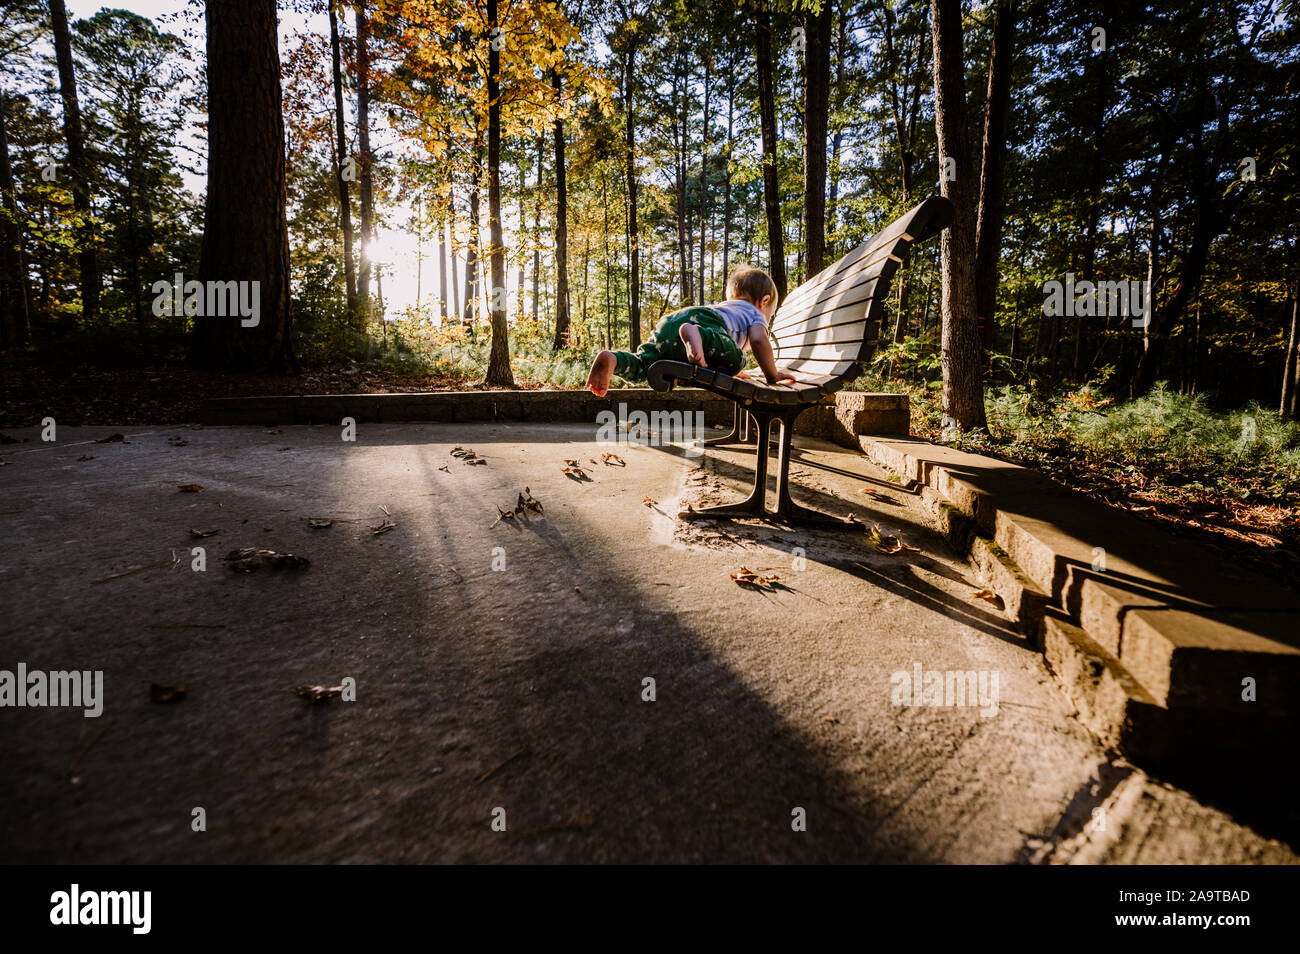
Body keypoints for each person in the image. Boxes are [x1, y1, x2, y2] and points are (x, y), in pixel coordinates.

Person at [585, 266, 796, 396]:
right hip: (700, 325)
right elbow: (759, 341)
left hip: (673, 321)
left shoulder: (729, 308)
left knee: (646, 367)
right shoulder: (755, 312)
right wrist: (772, 374)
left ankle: (613, 359)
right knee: (738, 359)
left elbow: (723, 347)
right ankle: (697, 335)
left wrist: (727, 366)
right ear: (764, 301)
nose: (768, 317)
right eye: (771, 313)